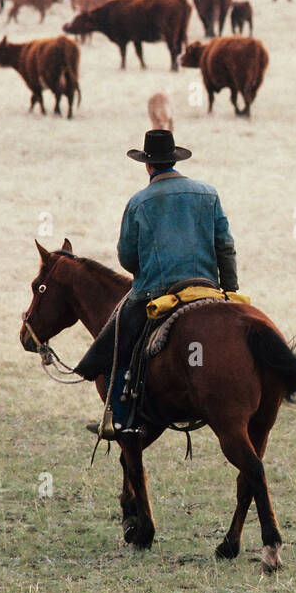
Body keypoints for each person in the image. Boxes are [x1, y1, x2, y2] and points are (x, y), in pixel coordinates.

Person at [74, 129, 238, 434]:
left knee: (117, 343)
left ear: (148, 165)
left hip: (156, 290)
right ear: (174, 159)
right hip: (207, 288)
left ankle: (117, 418)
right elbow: (225, 245)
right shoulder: (208, 193)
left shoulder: (139, 202)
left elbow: (126, 256)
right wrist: (229, 289)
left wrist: (144, 272)